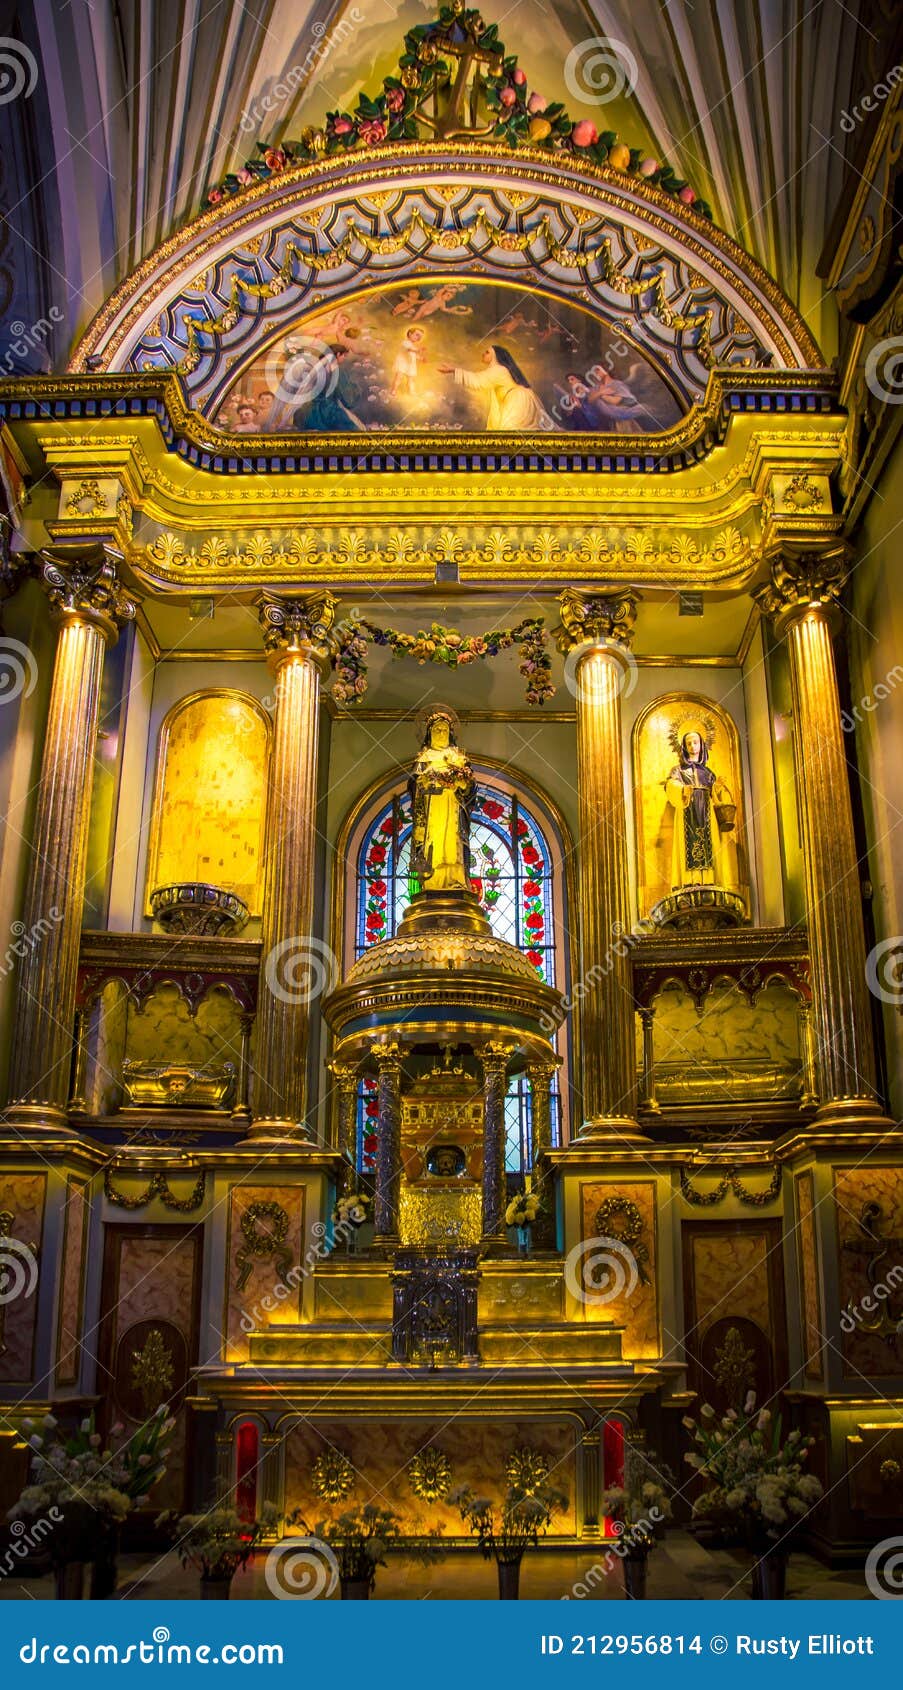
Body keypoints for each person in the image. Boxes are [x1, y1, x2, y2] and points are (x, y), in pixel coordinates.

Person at [408, 708, 475, 893]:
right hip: (432, 809)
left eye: (444, 730)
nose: (441, 733)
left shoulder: (458, 758)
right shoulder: (424, 758)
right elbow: (415, 785)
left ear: (450, 734)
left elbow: (470, 789)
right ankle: (432, 881)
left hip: (452, 807)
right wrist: (424, 782)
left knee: (452, 846)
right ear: (429, 733)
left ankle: (455, 879)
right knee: (434, 844)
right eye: (437, 729)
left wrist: (462, 784)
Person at [664, 728, 735, 889]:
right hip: (687, 809)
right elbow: (669, 785)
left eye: (695, 742)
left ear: (702, 745)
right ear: (684, 747)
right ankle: (689, 880)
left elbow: (715, 798)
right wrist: (682, 789)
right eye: (688, 743)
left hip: (706, 812)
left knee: (709, 842)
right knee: (688, 843)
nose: (692, 746)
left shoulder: (708, 773)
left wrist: (716, 787)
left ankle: (709, 879)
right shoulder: (678, 770)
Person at [438, 344, 553, 430]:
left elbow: (478, 381)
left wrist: (453, 370)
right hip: (516, 399)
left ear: (495, 356)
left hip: (517, 401)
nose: (483, 354)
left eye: (487, 352)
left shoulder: (498, 369)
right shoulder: (498, 369)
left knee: (509, 431)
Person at [391, 326, 426, 398]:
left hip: (410, 364)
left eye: (420, 337)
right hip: (403, 363)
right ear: (410, 334)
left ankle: (411, 392)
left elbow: (414, 355)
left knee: (411, 379)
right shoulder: (405, 342)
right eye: (417, 335)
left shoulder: (414, 346)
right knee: (399, 377)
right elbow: (409, 350)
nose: (418, 338)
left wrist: (421, 358)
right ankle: (393, 390)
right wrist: (417, 350)